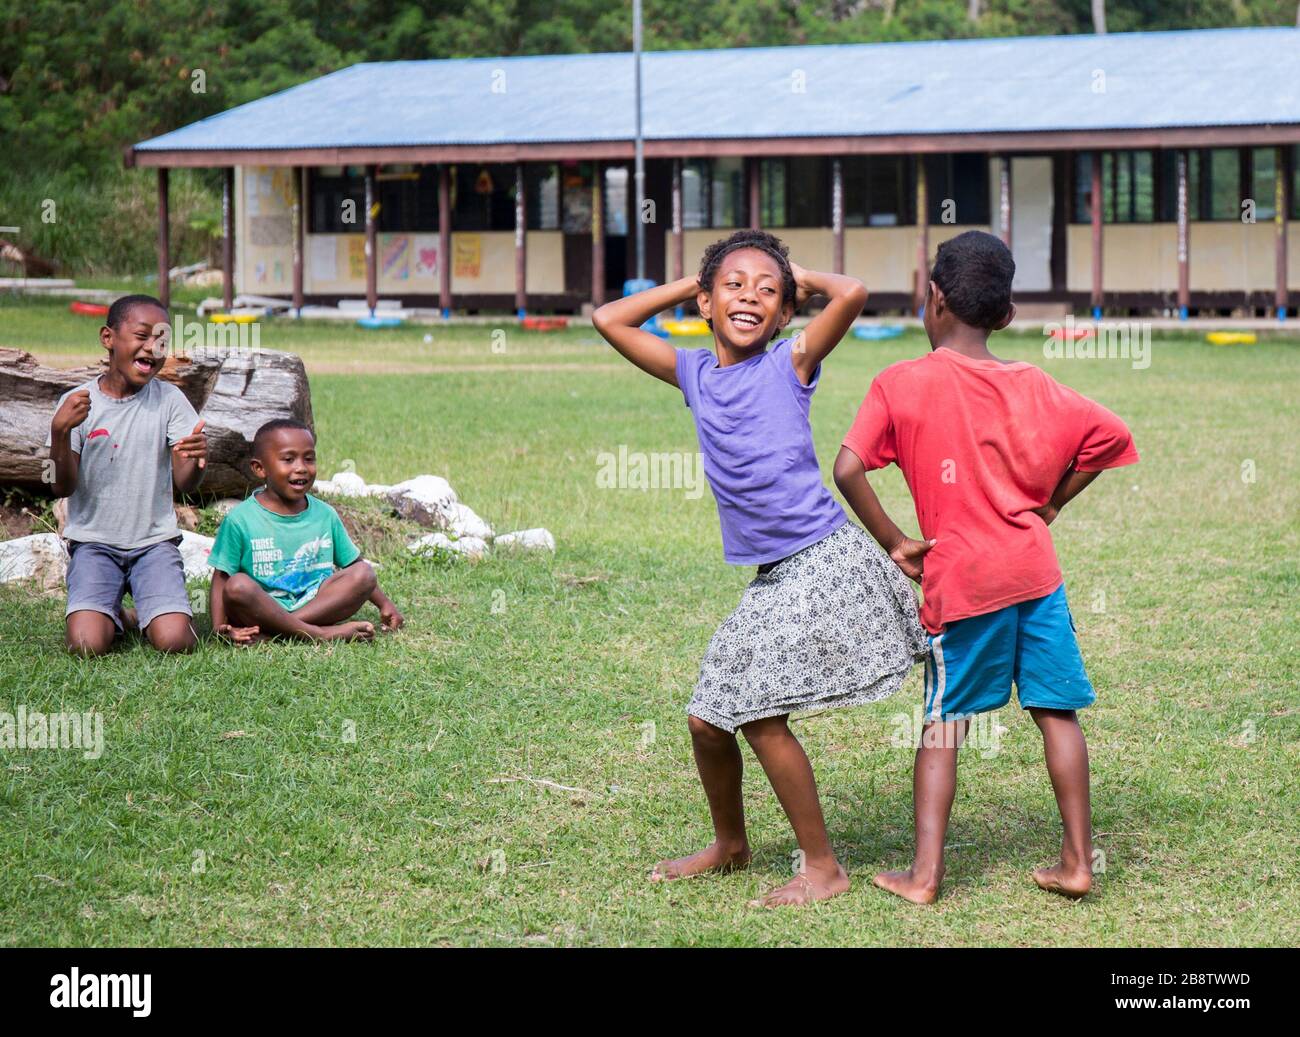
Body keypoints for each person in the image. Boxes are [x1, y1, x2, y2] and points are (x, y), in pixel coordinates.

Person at [593, 229, 926, 908]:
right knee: (707, 719)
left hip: (822, 559)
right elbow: (608, 318)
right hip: (774, 571)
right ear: (708, 303)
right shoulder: (693, 373)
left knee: (757, 711)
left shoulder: (789, 364)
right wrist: (697, 282)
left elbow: (853, 293)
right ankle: (731, 844)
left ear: (783, 316)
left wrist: (796, 275)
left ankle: (824, 867)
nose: (750, 296)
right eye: (734, 286)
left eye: (766, 291)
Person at [834, 230, 1139, 904]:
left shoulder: (899, 383)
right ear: (1005, 313)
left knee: (945, 722)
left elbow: (847, 466)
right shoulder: (1035, 384)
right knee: (1057, 710)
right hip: (1036, 573)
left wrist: (894, 540)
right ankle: (1078, 859)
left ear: (933, 297)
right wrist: (1052, 503)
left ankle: (924, 874)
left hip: (963, 579)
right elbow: (1111, 435)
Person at [47, 294, 207, 656]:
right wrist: (59, 433)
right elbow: (61, 485)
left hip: (153, 542)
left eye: (162, 340)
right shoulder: (78, 403)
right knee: (86, 645)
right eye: (142, 336)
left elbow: (185, 483)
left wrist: (197, 461)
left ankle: (145, 614)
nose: (153, 347)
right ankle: (118, 613)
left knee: (176, 640)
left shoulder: (169, 401)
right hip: (94, 544)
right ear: (108, 338)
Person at [207, 419, 403, 643]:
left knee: (364, 573)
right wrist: (219, 629)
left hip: (315, 604)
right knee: (238, 586)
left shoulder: (325, 514)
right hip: (261, 606)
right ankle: (319, 633)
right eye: (288, 459)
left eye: (308, 458)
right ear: (260, 468)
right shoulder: (240, 519)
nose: (301, 467)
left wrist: (385, 604)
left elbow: (354, 566)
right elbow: (222, 578)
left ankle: (276, 632)